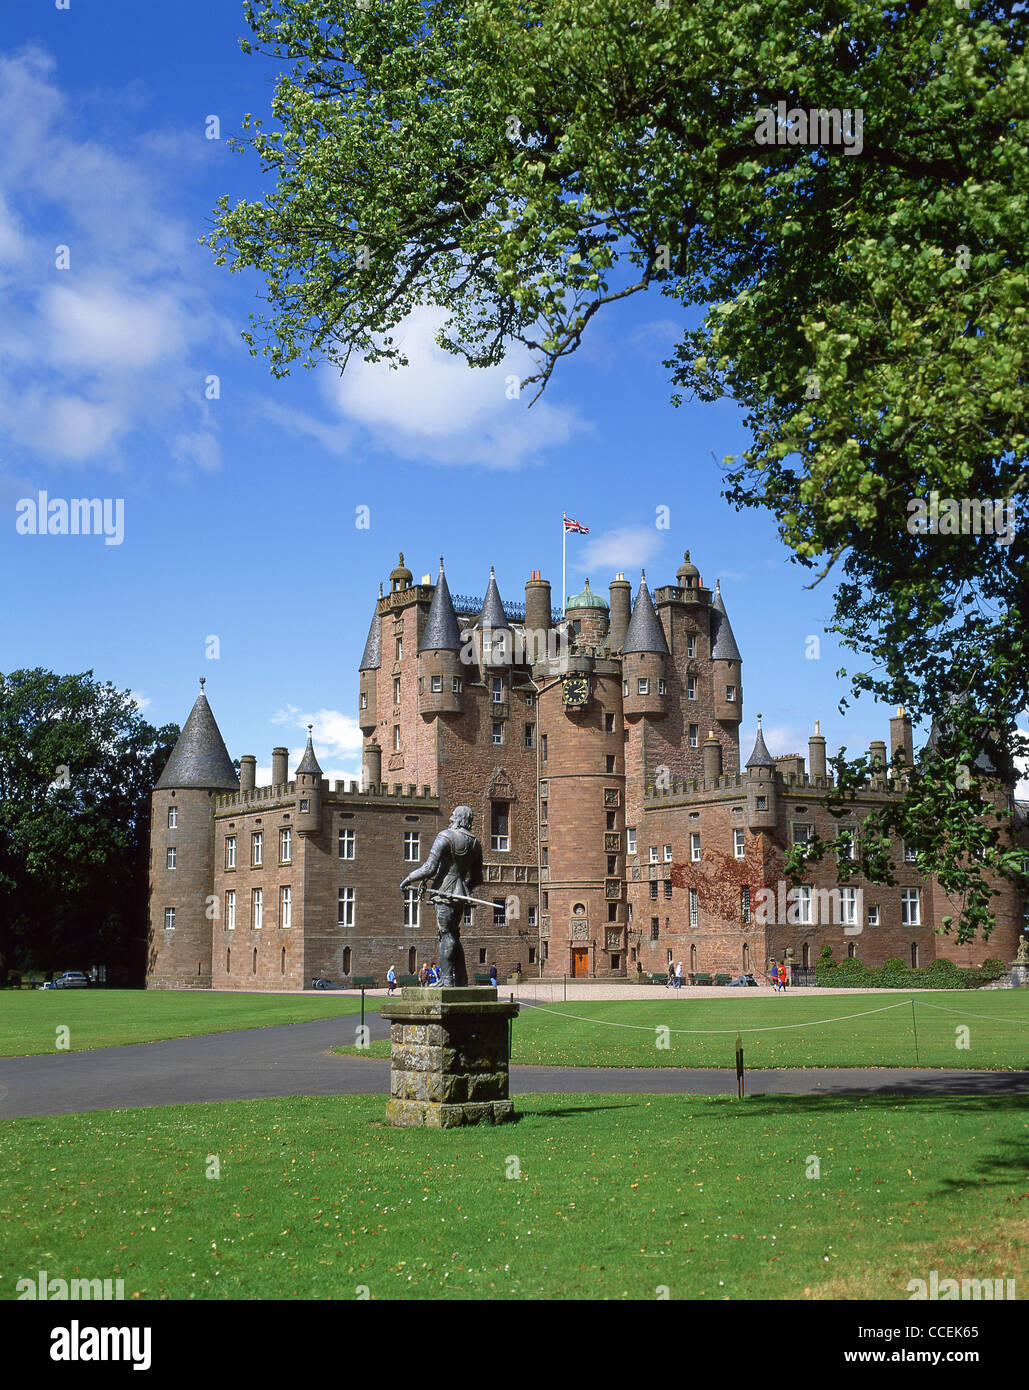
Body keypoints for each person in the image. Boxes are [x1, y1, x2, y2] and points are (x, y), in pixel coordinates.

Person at [399, 805, 484, 987]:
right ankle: (462, 979)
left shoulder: (445, 836)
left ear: (458, 818)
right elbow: (477, 878)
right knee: (454, 934)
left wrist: (408, 878)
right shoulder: (476, 843)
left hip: (444, 892)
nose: (451, 817)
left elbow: (429, 868)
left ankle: (446, 980)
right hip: (459, 894)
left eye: (453, 815)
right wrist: (463, 889)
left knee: (445, 934)